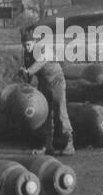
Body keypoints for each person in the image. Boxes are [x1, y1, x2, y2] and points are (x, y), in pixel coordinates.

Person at [18, 16, 74, 156]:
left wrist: (28, 71)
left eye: (28, 45)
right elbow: (28, 74)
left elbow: (40, 63)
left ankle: (69, 144)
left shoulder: (42, 48)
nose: (26, 47)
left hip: (56, 82)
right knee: (46, 115)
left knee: (61, 113)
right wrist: (24, 77)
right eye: (24, 45)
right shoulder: (26, 54)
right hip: (44, 83)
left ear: (34, 43)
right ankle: (47, 146)